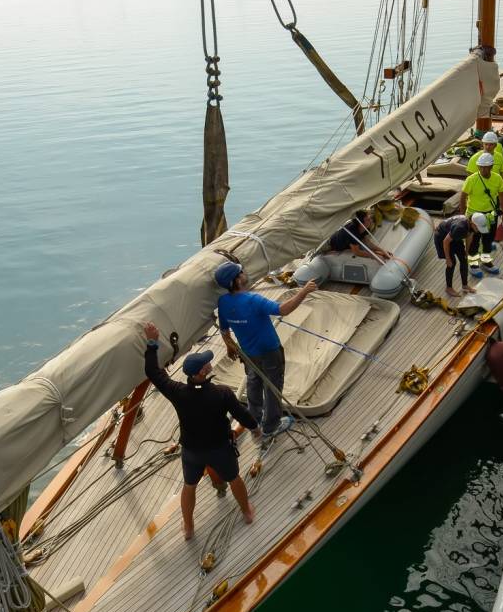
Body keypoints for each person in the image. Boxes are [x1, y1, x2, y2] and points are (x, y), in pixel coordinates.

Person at [143, 322, 259, 540]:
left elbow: (152, 372)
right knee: (234, 478)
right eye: (207, 363)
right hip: (219, 450)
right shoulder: (222, 393)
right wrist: (255, 429)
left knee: (190, 486)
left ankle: (188, 526)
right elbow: (242, 415)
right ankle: (247, 511)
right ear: (204, 371)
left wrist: (152, 343)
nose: (209, 364)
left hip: (191, 452)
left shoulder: (177, 392)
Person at [214, 261, 317, 439]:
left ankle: (254, 420)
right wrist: (304, 291)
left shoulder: (222, 303)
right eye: (241, 272)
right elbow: (283, 310)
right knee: (273, 388)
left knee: (253, 384)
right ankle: (271, 426)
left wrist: (230, 347)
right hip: (270, 352)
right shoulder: (254, 300)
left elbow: (224, 330)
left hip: (248, 354)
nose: (245, 272)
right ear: (237, 281)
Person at [459, 152, 503, 271]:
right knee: (474, 241)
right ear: (478, 167)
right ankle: (473, 264)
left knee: (488, 239)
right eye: (481, 167)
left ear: (491, 166)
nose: (483, 169)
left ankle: (486, 261)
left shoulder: (497, 178)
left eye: (486, 167)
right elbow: (463, 197)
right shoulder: (471, 180)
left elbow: (502, 196)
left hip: (491, 214)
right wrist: (463, 217)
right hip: (474, 215)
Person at [433, 212, 488, 293]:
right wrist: (448, 259)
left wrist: (466, 252)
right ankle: (449, 288)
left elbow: (469, 237)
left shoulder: (471, 225)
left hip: (453, 235)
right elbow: (446, 242)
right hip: (441, 237)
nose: (478, 230)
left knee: (464, 259)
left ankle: (465, 285)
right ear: (472, 223)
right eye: (478, 227)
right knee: (452, 263)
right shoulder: (460, 228)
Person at [325, 207, 393, 262]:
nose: (371, 221)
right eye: (368, 220)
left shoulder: (365, 227)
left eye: (369, 218)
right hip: (332, 245)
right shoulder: (353, 233)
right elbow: (357, 252)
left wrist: (383, 251)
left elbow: (368, 243)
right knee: (363, 250)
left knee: (365, 248)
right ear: (361, 224)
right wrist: (375, 256)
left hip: (347, 242)